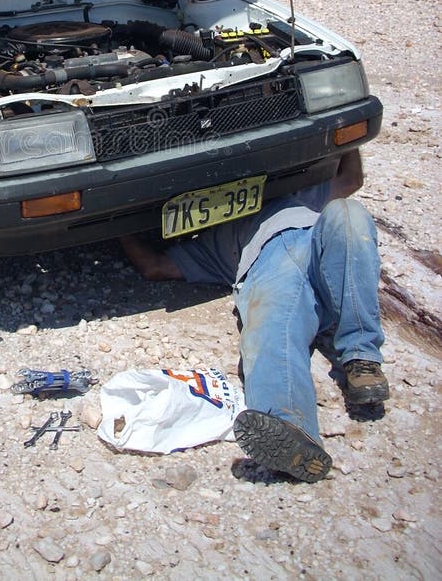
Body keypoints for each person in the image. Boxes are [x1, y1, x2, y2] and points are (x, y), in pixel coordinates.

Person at [120, 149, 388, 483]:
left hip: (326, 254)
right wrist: (119, 225)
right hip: (270, 273)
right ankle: (291, 432)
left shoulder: (303, 195)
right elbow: (155, 266)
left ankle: (362, 360)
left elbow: (351, 179)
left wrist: (346, 131)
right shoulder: (213, 236)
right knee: (268, 329)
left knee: (348, 214)